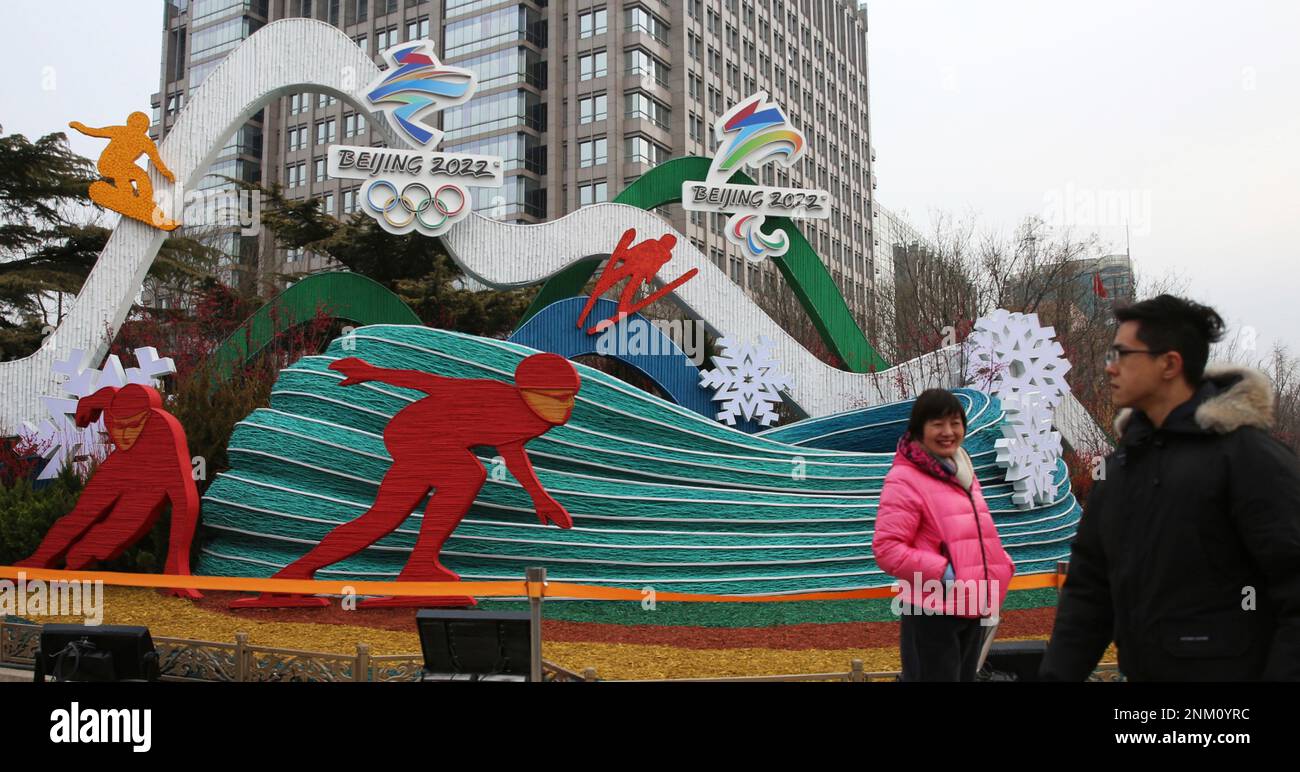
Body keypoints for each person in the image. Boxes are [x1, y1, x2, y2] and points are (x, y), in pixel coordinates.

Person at [1041, 294, 1300, 680]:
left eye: (1122, 354)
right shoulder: (1120, 468)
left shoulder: (1248, 459)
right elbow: (1089, 592)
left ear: (1170, 364)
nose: (1109, 368)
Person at [232, 352, 581, 609]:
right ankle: (420, 565)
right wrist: (373, 372)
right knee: (468, 473)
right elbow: (430, 383)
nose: (565, 407)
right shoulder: (491, 394)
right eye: (558, 398)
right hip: (412, 433)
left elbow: (512, 449)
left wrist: (540, 497)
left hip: (435, 444)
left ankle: (294, 574)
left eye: (569, 399)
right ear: (531, 393)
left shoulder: (535, 420)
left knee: (382, 518)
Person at [873, 389, 1016, 681]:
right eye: (937, 424)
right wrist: (944, 572)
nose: (948, 432)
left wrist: (1001, 565)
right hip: (932, 611)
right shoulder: (905, 478)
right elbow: (887, 548)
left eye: (955, 423)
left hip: (970, 604)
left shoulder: (962, 471)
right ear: (918, 429)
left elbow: (973, 533)